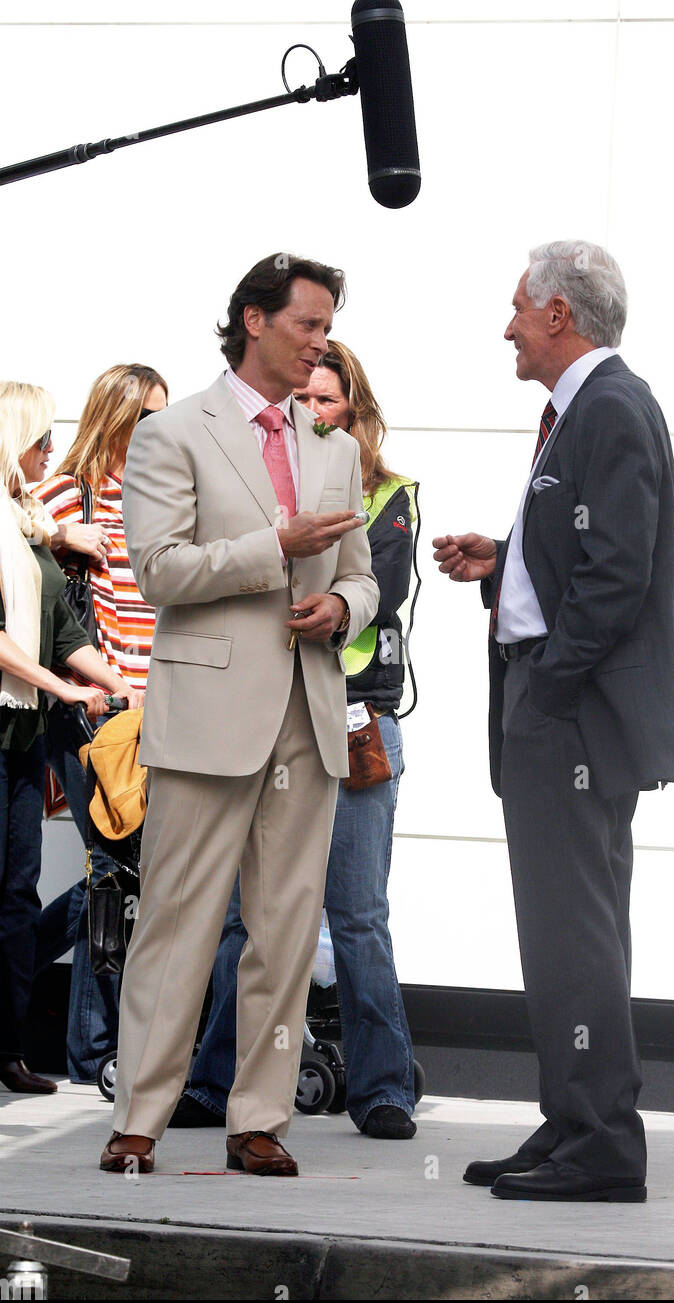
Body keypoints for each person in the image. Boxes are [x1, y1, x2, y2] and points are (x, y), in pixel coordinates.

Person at [99, 253, 378, 1177]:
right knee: (176, 923)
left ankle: (260, 1120)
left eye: (328, 326)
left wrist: (344, 607)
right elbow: (161, 570)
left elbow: (364, 578)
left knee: (288, 931)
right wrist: (274, 548)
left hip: (310, 715)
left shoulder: (336, 448)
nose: (320, 343)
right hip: (210, 714)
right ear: (254, 320)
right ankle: (137, 1120)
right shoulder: (173, 433)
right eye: (307, 324)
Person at [433, 241, 674, 1202]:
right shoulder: (586, 412)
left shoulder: (609, 408)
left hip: (568, 715)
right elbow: (585, 557)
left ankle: (603, 1147)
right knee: (561, 926)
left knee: (573, 928)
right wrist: (505, 562)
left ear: (557, 315)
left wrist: (550, 686)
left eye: (516, 308)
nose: (506, 327)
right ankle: (573, 1121)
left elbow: (620, 574)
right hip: (558, 705)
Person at [172, 340, 418, 1140]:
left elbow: (368, 593)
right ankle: (215, 1084)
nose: (312, 412)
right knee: (247, 916)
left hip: (353, 718)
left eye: (328, 401)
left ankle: (384, 1088)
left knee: (356, 914)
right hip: (267, 714)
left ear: (354, 408)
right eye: (302, 400)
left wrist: (330, 610)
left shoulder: (385, 493)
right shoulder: (253, 472)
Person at [0, 382, 142, 1095]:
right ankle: (65, 1047)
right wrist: (68, 688)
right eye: (38, 441)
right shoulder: (38, 510)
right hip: (41, 713)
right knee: (93, 870)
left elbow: (62, 625)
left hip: (59, 718)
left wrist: (125, 683)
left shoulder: (33, 523)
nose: (49, 452)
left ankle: (29, 1046)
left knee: (44, 888)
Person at [32, 365, 163, 1083]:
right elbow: (20, 549)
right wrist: (57, 535)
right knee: (113, 867)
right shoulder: (70, 487)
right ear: (114, 417)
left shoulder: (157, 497)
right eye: (145, 417)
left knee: (129, 869)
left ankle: (16, 955)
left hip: (149, 706)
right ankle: (94, 1051)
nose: (155, 431)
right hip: (90, 707)